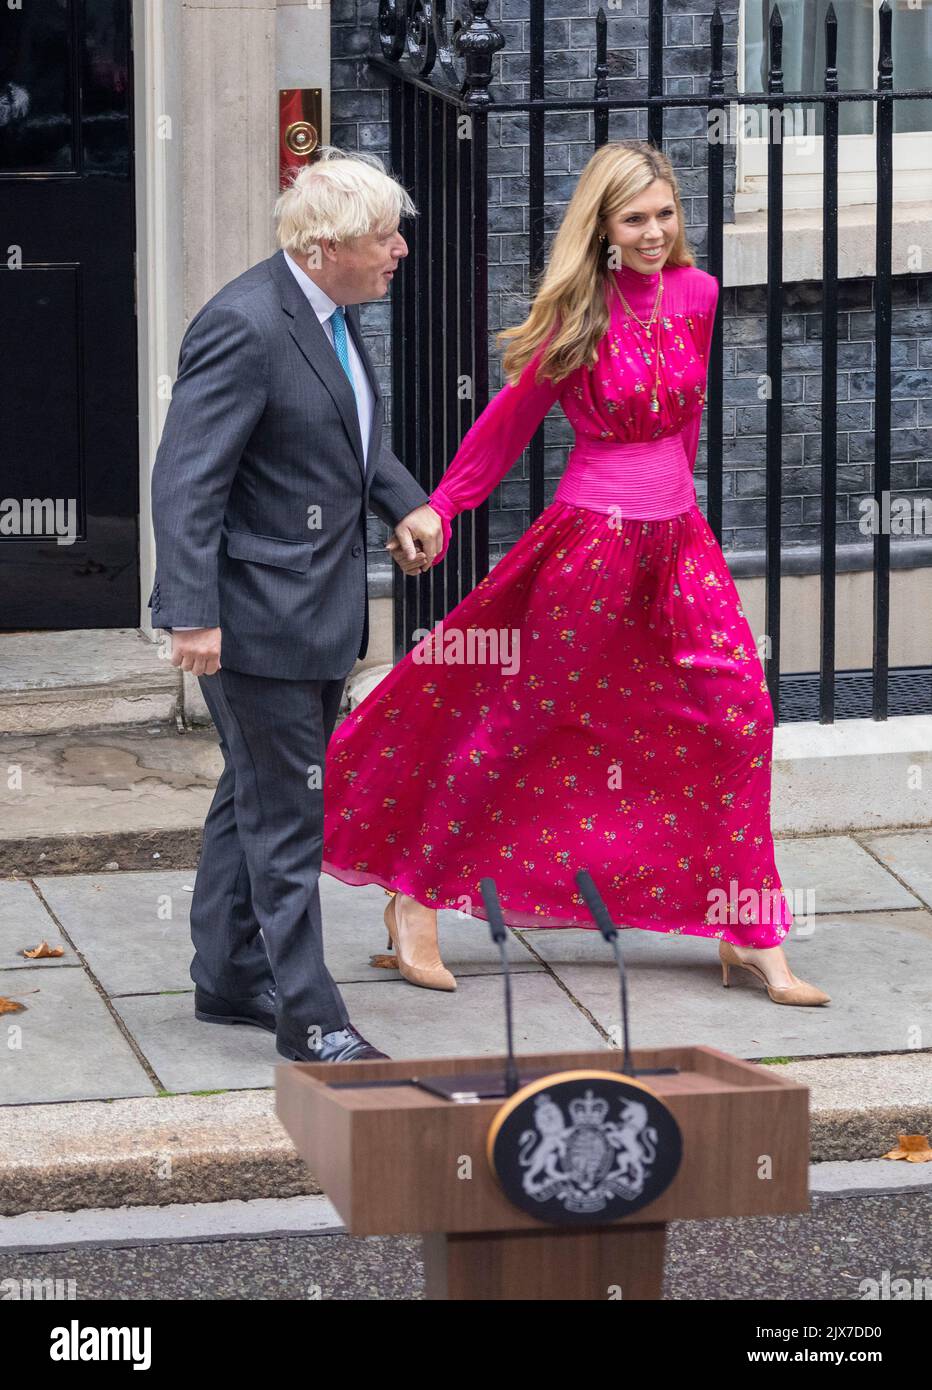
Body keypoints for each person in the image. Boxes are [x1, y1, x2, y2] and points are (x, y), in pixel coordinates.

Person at [322, 139, 830, 1009]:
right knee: (519, 720)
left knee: (740, 715)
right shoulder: (577, 315)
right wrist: (443, 507)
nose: (655, 232)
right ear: (601, 228)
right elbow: (506, 425)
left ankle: (749, 930)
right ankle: (416, 893)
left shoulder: (700, 296)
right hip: (592, 544)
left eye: (665, 214)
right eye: (635, 218)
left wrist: (685, 525)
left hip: (678, 544)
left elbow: (687, 425)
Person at [148, 148, 443, 1063]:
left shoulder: (329, 313)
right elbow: (186, 480)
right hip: (260, 620)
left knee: (254, 795)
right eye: (382, 236)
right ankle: (310, 1018)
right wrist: (190, 612)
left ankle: (230, 974)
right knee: (289, 822)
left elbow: (342, 431)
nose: (399, 249)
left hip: (315, 611)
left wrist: (404, 497)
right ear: (322, 247)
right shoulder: (244, 324)